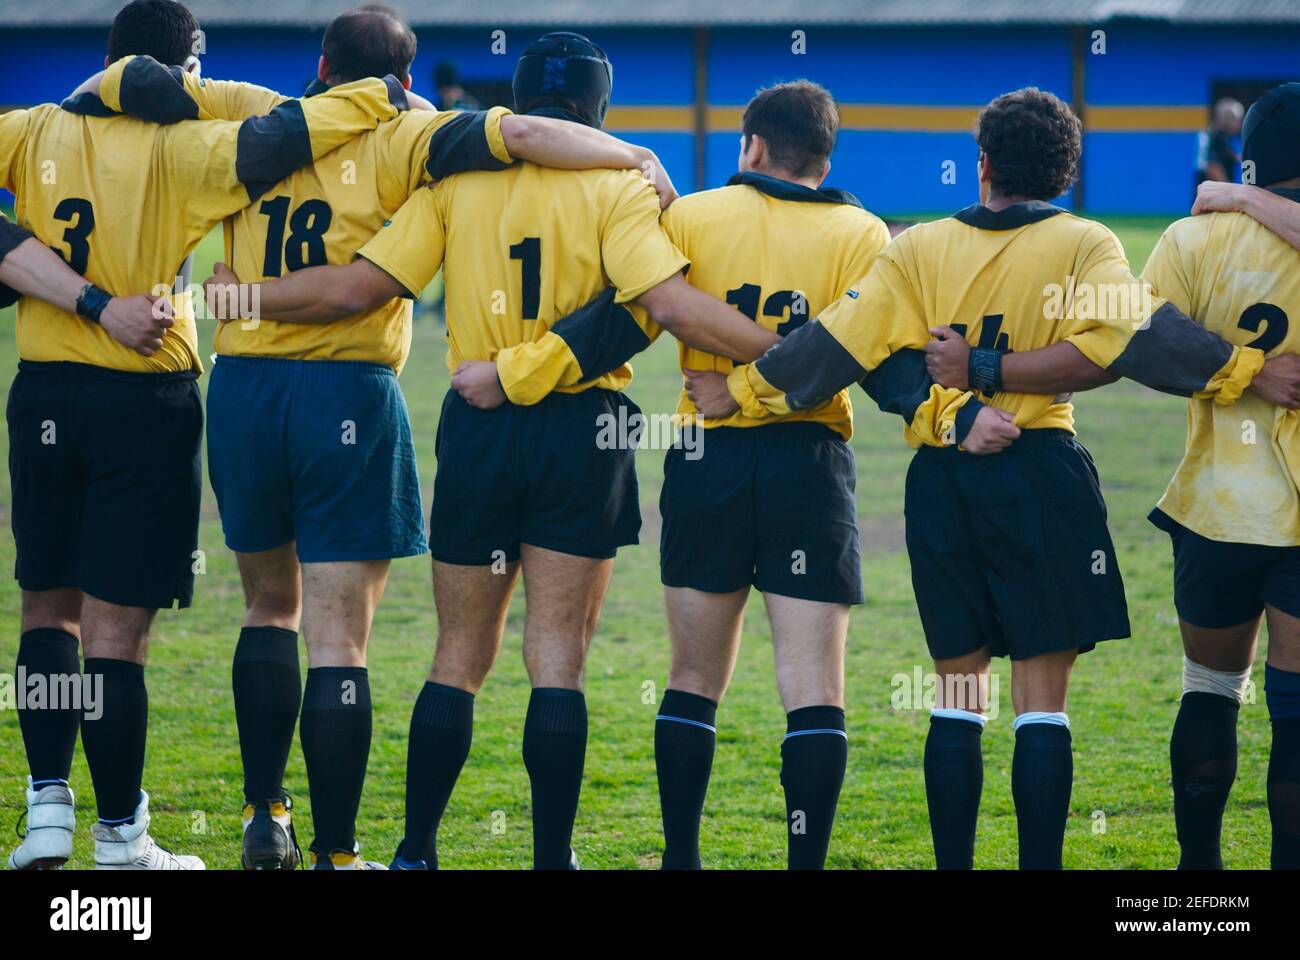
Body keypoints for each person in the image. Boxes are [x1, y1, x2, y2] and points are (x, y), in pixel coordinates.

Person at [103, 5, 687, 871]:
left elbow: (155, 89)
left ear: (323, 60)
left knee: (290, 612)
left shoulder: (256, 119)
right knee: (429, 648)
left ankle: (310, 822)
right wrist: (634, 157)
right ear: (404, 81)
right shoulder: (427, 140)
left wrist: (232, 297)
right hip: (418, 399)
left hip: (266, 391)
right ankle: (366, 856)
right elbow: (645, 305)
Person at [204, 31, 781, 870]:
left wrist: (243, 295)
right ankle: (550, 859)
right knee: (557, 658)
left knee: (456, 655)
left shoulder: (456, 178)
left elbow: (362, 288)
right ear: (598, 108)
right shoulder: (623, 183)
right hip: (582, 426)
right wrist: (797, 353)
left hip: (476, 421)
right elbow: (653, 306)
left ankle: (415, 849)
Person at [689, 86, 1292, 869]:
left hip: (943, 484)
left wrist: (738, 391)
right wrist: (1247, 368)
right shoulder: (1084, 244)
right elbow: (1143, 338)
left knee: (958, 697)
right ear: (1066, 174)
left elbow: (836, 343)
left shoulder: (917, 248)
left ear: (981, 167)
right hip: (1042, 474)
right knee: (1041, 708)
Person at [1, 0, 410, 871]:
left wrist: (64, 289)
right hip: (143, 400)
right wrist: (382, 98)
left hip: (42, 394)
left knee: (47, 611)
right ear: (185, 68)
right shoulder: (186, 150)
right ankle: (120, 837)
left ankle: (44, 812)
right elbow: (285, 136)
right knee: (115, 636)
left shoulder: (27, 127)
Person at [452, 80, 891, 868]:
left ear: (752, 146)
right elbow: (869, 353)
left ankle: (681, 858)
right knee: (814, 684)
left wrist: (517, 370)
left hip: (706, 456)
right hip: (810, 463)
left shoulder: (689, 217)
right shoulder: (866, 235)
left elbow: (632, 317)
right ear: (825, 156)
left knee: (692, 675)